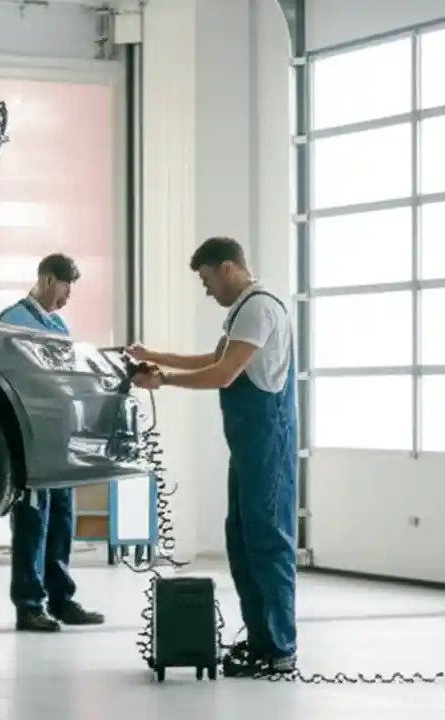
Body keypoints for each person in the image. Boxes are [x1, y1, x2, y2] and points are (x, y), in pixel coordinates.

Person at [129, 236, 298, 677]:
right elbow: (212, 357)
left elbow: (224, 374)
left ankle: (281, 648)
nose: (206, 290)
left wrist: (163, 381)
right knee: (242, 542)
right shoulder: (241, 310)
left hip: (268, 444)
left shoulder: (260, 306)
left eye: (206, 279)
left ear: (228, 268)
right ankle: (261, 643)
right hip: (247, 448)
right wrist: (153, 357)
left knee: (268, 542)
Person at [0, 253, 105, 632]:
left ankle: (61, 600)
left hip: (61, 436)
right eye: (64, 286)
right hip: (30, 437)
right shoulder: (11, 321)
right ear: (45, 280)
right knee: (32, 520)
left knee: (61, 518)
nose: (67, 296)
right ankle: (29, 604)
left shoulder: (58, 323)